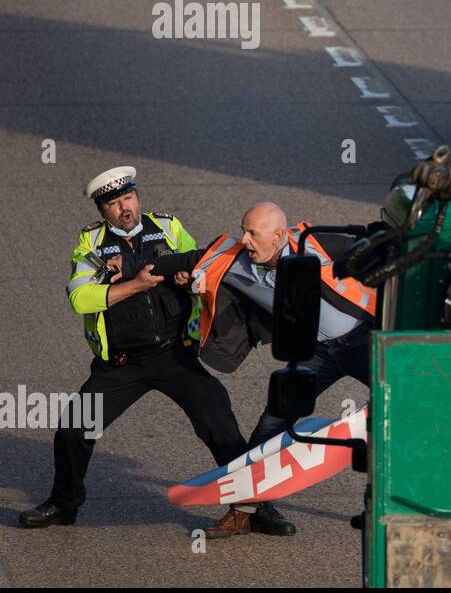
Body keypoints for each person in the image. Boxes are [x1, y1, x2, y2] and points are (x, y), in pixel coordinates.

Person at [19, 167, 289, 537]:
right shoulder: (90, 244)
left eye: (127, 198)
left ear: (137, 197)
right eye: (113, 203)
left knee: (218, 421)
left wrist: (189, 281)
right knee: (73, 429)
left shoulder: (167, 227)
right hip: (121, 364)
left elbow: (203, 267)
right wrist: (135, 285)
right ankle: (65, 504)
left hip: (174, 355)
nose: (123, 208)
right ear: (102, 210)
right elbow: (80, 298)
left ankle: (255, 507)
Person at [192, 202, 376, 538]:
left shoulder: (315, 245)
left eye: (253, 233)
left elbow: (372, 248)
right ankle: (244, 511)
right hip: (314, 352)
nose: (245, 240)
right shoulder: (236, 261)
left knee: (412, 403)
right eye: (243, 230)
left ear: (279, 235)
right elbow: (184, 261)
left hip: (362, 342)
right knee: (272, 424)